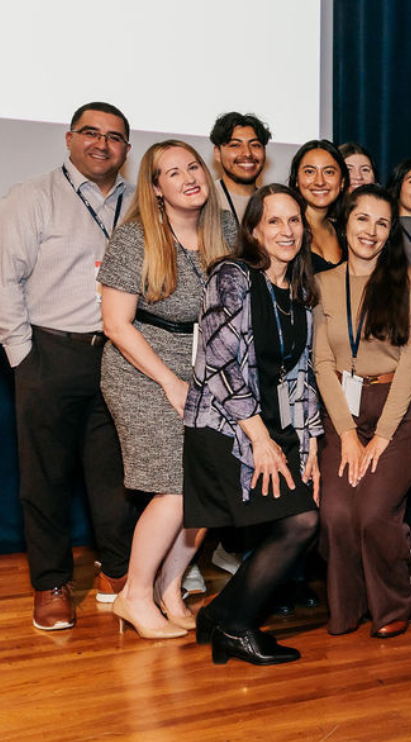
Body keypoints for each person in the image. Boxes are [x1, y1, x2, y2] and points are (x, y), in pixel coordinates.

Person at [0, 101, 140, 631]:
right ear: (69, 138)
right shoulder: (32, 197)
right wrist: (24, 355)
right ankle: (52, 583)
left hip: (119, 355)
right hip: (49, 353)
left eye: (114, 137)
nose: (102, 144)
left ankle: (117, 572)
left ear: (127, 149)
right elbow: (4, 279)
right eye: (91, 133)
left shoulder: (139, 203)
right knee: (45, 480)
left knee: (116, 478)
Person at [183, 184, 322, 665]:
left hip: (276, 423)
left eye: (294, 220)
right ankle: (235, 626)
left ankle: (220, 615)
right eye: (274, 221)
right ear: (255, 231)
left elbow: (301, 373)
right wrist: (259, 438)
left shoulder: (299, 289)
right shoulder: (232, 275)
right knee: (300, 521)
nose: (287, 231)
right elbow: (218, 362)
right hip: (227, 427)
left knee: (300, 520)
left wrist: (310, 441)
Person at [98, 141, 233, 638]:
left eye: (193, 166)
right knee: (176, 485)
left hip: (205, 371)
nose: (189, 177)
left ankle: (169, 588)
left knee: (206, 486)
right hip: (142, 370)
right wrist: (172, 383)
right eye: (172, 173)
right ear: (155, 188)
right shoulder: (135, 237)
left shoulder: (226, 230)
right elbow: (116, 324)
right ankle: (134, 596)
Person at [313, 185, 411, 637]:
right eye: (362, 219)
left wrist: (381, 437)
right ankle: (347, 608)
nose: (371, 230)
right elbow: (322, 362)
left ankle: (391, 605)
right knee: (336, 513)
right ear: (345, 223)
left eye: (382, 223)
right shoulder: (323, 283)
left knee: (372, 511)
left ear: (391, 232)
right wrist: (348, 434)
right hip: (344, 409)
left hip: (403, 411)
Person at [289, 140, 349, 273]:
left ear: (342, 182)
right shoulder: (286, 230)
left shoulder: (346, 232)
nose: (320, 182)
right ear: (297, 180)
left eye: (329, 172)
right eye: (310, 172)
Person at [210, 112, 271, 221]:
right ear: (218, 153)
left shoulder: (273, 202)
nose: (247, 153)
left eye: (255, 145)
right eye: (235, 145)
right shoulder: (204, 199)